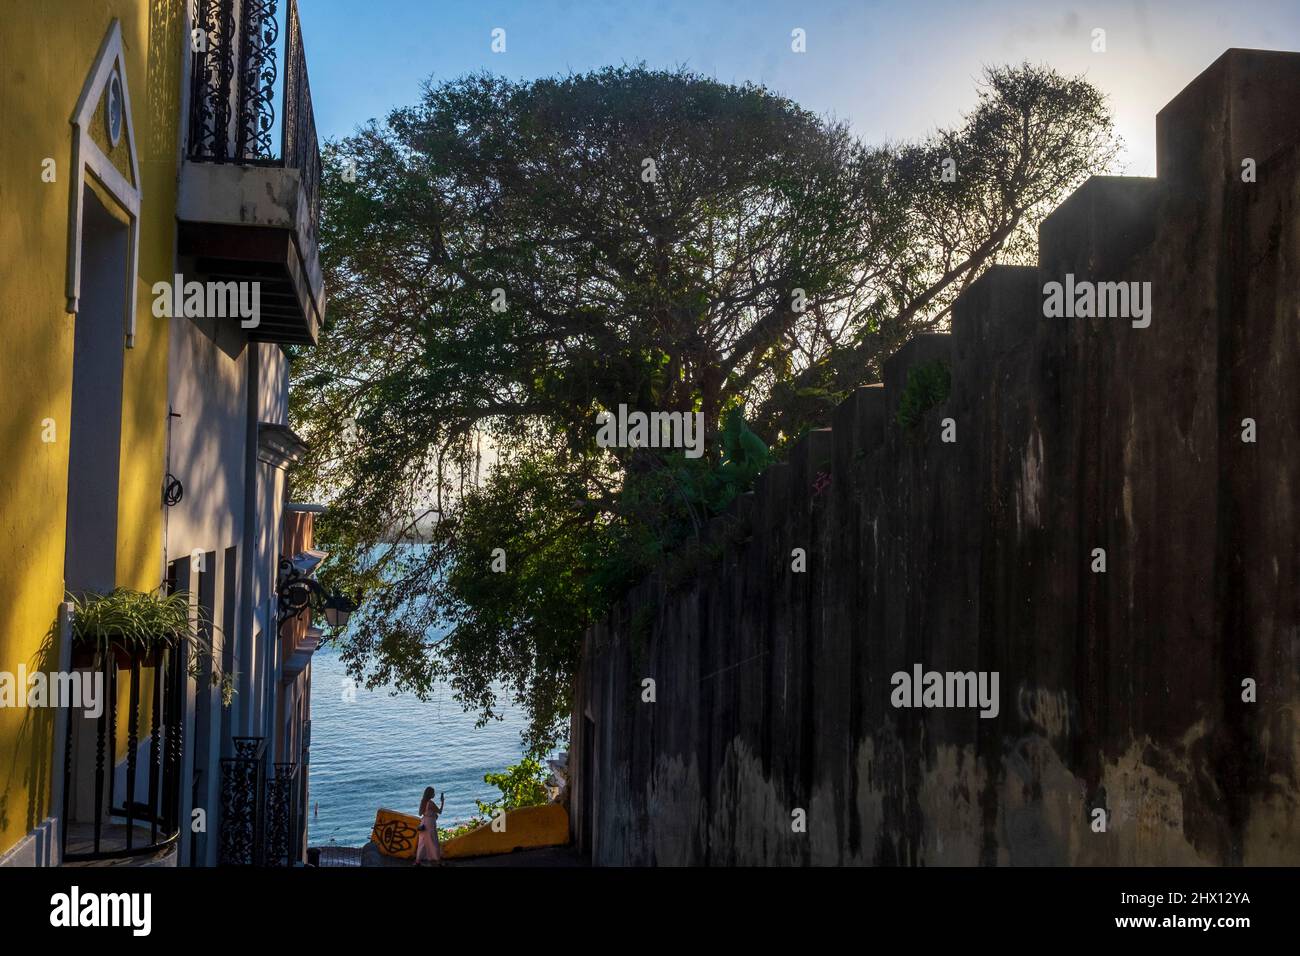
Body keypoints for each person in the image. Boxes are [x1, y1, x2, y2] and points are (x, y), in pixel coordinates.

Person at [415, 786, 445, 866]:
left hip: (424, 822)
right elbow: (440, 811)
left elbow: (420, 813)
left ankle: (418, 861)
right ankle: (438, 862)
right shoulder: (431, 803)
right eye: (433, 793)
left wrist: (429, 813)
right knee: (434, 841)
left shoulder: (423, 802)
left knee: (422, 843)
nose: (434, 794)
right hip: (430, 823)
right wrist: (442, 802)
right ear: (430, 794)